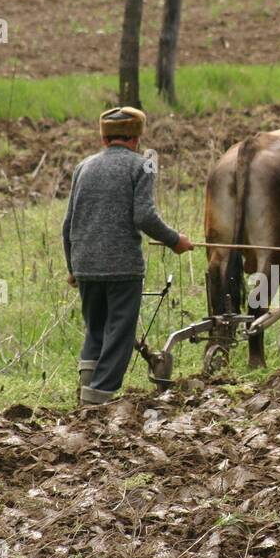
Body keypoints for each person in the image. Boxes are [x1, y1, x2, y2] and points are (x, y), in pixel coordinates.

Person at [63, 106, 192, 405]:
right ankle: (97, 401)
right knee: (119, 335)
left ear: (104, 137)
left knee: (95, 329)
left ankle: (86, 389)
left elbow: (67, 223)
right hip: (122, 267)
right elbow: (145, 217)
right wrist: (176, 241)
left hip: (85, 265)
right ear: (137, 137)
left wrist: (72, 266)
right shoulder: (143, 165)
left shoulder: (83, 166)